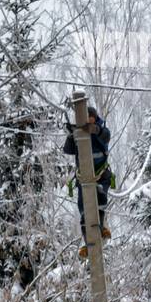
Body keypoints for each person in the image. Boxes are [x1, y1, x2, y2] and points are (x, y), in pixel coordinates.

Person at [63, 106, 112, 259]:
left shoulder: (101, 129)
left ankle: (101, 226)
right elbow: (68, 149)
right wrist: (72, 135)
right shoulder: (79, 133)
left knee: (100, 197)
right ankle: (87, 241)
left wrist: (94, 130)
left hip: (101, 174)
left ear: (94, 117)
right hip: (83, 177)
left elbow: (105, 136)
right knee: (84, 208)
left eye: (90, 118)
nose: (87, 121)